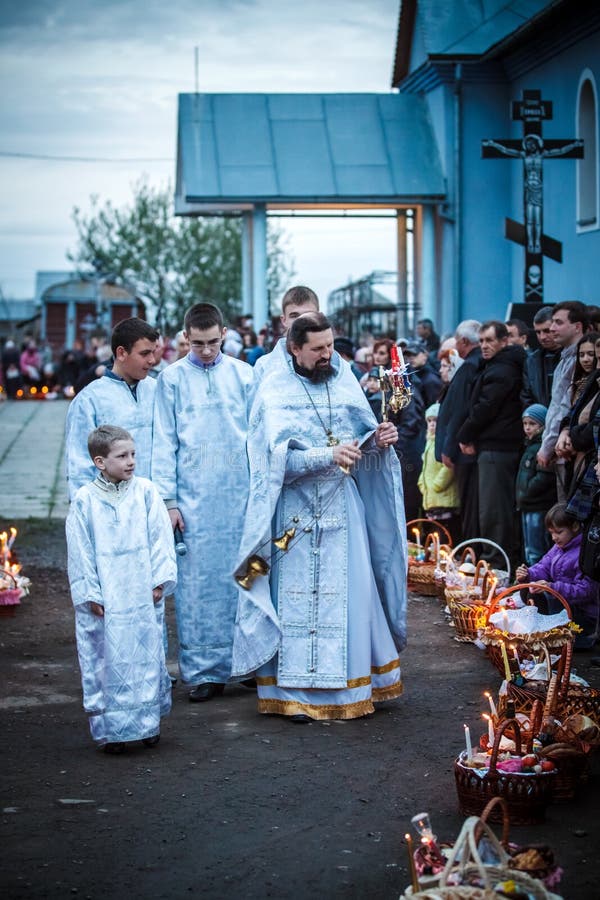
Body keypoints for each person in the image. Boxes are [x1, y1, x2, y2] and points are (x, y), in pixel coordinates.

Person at [231, 311, 407, 721]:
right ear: (295, 348)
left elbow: (359, 442)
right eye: (318, 349)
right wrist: (327, 454)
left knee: (351, 597)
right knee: (291, 601)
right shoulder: (272, 392)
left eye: (330, 345)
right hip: (293, 513)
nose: (328, 355)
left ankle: (350, 691)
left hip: (343, 511)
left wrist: (378, 440)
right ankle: (289, 694)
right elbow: (270, 465)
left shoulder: (344, 380)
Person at [152, 302, 255, 701]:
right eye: (198, 343)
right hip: (194, 501)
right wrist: (169, 500)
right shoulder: (172, 379)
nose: (207, 350)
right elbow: (163, 441)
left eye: (213, 342)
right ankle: (203, 672)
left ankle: (247, 663)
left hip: (241, 496)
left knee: (247, 578)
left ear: (224, 335)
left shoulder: (245, 376)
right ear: (185, 338)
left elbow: (257, 438)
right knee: (196, 586)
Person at [66, 425, 177, 753]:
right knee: (106, 659)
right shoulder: (85, 501)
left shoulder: (145, 491)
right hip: (107, 597)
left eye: (133, 455)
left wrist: (159, 580)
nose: (131, 461)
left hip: (141, 593)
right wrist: (91, 594)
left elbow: (160, 538)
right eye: (122, 456)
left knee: (146, 656)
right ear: (100, 462)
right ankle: (112, 730)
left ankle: (147, 724)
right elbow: (81, 551)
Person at [65, 318, 159, 500]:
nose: (152, 360)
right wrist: (84, 510)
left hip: (154, 501)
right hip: (110, 504)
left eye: (153, 352)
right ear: (122, 353)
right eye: (145, 353)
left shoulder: (157, 390)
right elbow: (79, 462)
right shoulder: (89, 399)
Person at [457, 320, 525, 568]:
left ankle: (495, 564)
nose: (484, 346)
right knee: (490, 509)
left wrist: (464, 434)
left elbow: (485, 408)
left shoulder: (502, 369)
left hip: (498, 448)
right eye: (482, 340)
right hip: (494, 446)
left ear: (504, 341)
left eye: (490, 340)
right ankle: (494, 561)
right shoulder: (496, 366)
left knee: (493, 510)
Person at [516, 503, 599, 649]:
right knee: (528, 589)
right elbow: (543, 566)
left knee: (546, 596)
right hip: (563, 606)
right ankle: (544, 632)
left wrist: (553, 588)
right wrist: (528, 574)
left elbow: (587, 591)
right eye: (551, 533)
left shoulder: (585, 552)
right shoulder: (559, 547)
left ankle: (570, 638)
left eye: (559, 532)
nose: (554, 537)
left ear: (574, 527)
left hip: (583, 615)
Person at [435, 320, 482, 542]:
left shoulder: (469, 367)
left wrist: (449, 448)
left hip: (463, 449)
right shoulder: (473, 364)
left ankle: (470, 549)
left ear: (463, 341)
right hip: (464, 446)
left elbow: (459, 411)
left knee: (469, 504)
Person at [537, 301, 589, 501]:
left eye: (558, 322)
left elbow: (565, 407)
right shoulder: (563, 359)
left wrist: (548, 445)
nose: (551, 328)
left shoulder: (579, 360)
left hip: (569, 448)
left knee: (570, 515)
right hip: (560, 448)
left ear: (577, 327)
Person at [516, 404, 556, 565]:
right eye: (525, 424)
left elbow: (544, 476)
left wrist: (526, 492)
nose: (527, 428)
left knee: (536, 549)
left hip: (537, 506)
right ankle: (531, 583)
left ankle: (539, 586)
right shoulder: (529, 446)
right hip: (527, 505)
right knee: (529, 548)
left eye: (532, 424)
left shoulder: (541, 448)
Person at [253, 285, 319, 382]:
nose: (301, 322)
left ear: (319, 317)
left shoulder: (337, 365)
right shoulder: (264, 367)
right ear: (284, 320)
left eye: (308, 315)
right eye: (294, 316)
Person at [417, 403, 460, 545]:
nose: (432, 424)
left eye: (435, 421)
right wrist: (422, 485)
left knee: (444, 534)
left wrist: (436, 485)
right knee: (434, 533)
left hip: (443, 496)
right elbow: (425, 468)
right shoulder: (429, 442)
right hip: (431, 498)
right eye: (429, 421)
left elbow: (448, 467)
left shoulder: (444, 442)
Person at [521, 307, 561, 408]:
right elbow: (526, 396)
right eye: (538, 332)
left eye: (546, 331)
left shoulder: (572, 356)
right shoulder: (531, 361)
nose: (542, 337)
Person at [403, 341, 442, 407]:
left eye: (415, 354)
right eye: (408, 355)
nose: (411, 358)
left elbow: (434, 409)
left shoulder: (431, 380)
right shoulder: (413, 375)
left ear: (425, 355)